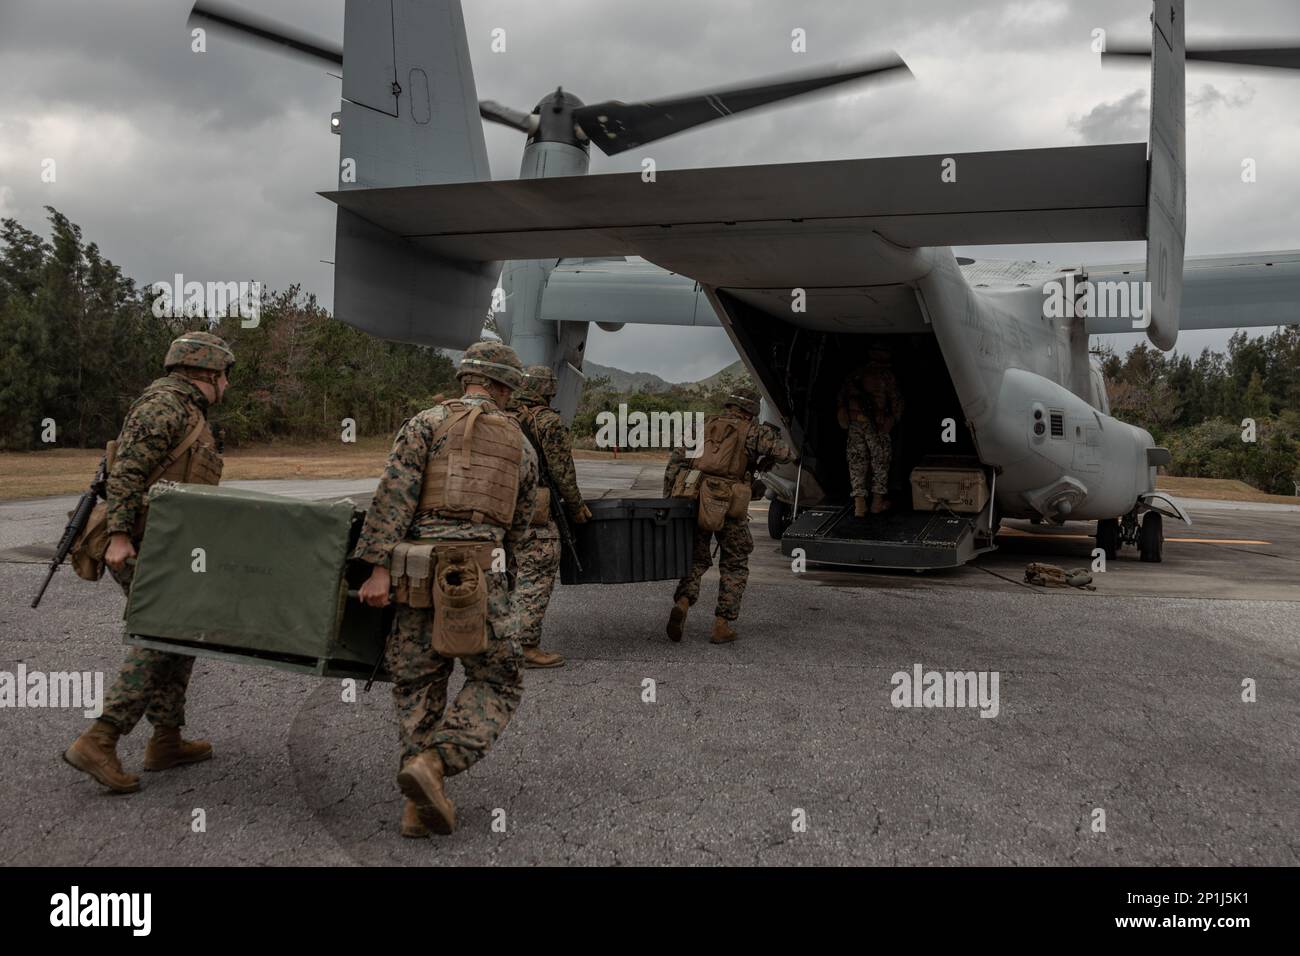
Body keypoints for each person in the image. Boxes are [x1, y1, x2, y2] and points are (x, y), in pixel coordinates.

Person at [354, 341, 538, 838]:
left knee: (419, 682)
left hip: (416, 575)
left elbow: (393, 497)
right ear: (503, 386)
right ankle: (436, 766)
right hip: (482, 575)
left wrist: (377, 569)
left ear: (467, 379)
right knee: (499, 677)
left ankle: (417, 799)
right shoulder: (520, 443)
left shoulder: (423, 424)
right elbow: (518, 526)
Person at [63, 331, 234, 793]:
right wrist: (118, 536)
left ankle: (166, 739)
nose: (227, 386)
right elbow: (127, 474)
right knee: (162, 631)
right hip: (139, 543)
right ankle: (101, 738)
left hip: (164, 544)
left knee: (179, 631)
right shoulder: (163, 406)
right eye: (225, 376)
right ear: (208, 374)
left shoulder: (186, 410)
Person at [664, 387, 796, 644]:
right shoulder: (753, 431)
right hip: (730, 504)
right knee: (735, 562)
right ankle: (721, 625)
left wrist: (669, 500)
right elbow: (785, 454)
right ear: (751, 410)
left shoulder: (701, 426)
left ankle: (682, 603)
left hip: (697, 498)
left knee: (696, 558)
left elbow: (675, 463)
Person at [508, 365, 592, 669]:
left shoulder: (503, 417)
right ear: (548, 390)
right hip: (536, 510)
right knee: (537, 573)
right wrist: (576, 507)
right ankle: (526, 648)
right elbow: (562, 471)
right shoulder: (547, 421)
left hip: (501, 508)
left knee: (508, 574)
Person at [837, 348, 904, 516]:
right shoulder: (886, 376)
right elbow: (896, 399)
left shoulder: (854, 375)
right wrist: (893, 418)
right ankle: (876, 504)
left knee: (857, 462)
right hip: (876, 425)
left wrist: (845, 414)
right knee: (880, 461)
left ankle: (860, 506)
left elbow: (841, 399)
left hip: (856, 423)